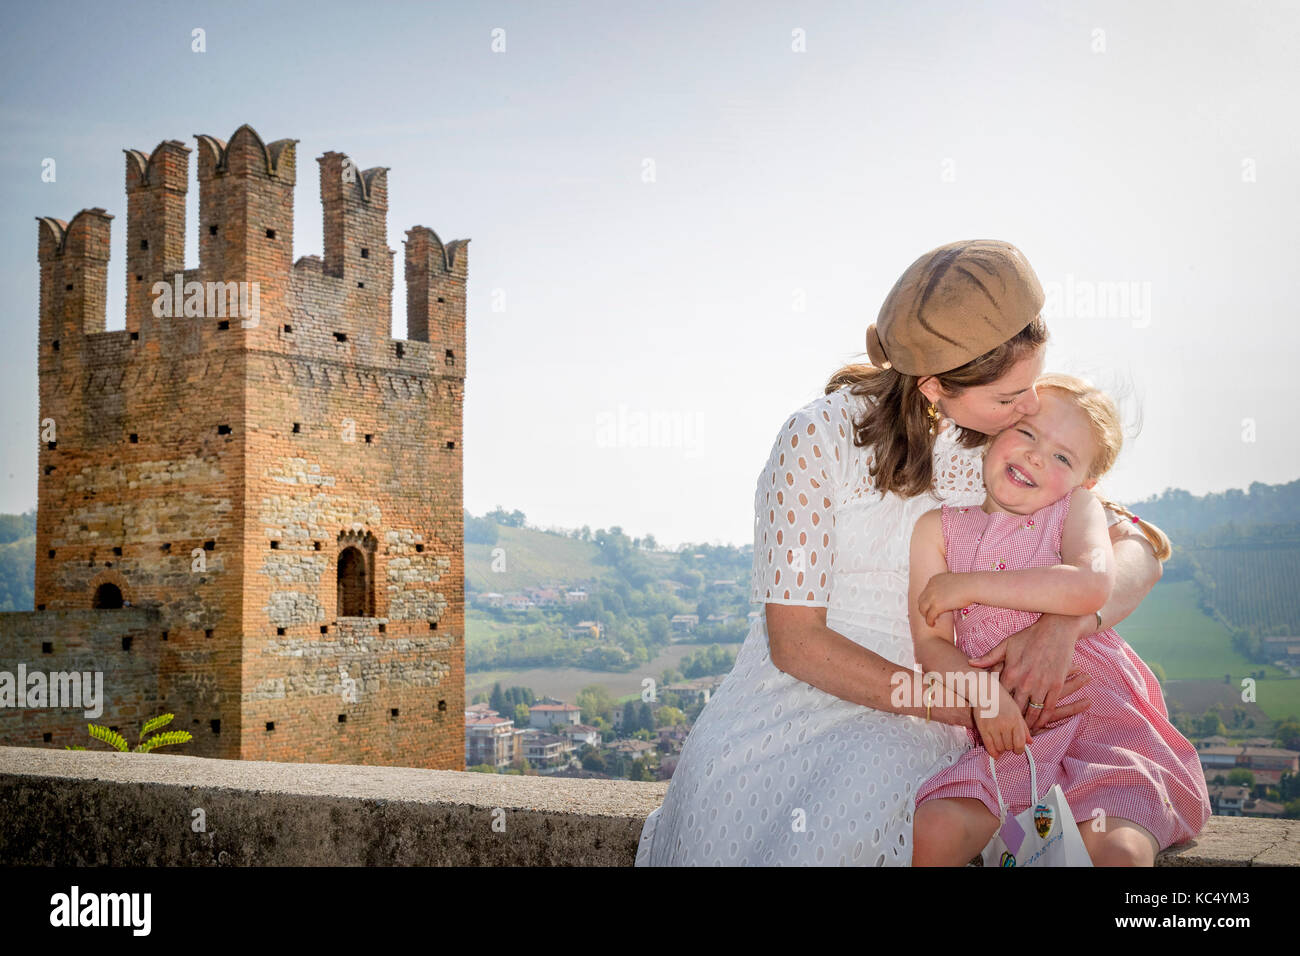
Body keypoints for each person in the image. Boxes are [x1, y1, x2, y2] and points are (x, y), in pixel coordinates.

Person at [635, 240, 1164, 865]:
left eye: (1032, 384)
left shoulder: (1002, 447)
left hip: (922, 725)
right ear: (936, 384)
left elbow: (1139, 547)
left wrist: (1065, 626)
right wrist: (965, 706)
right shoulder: (815, 440)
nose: (1031, 405)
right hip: (805, 706)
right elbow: (796, 642)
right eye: (1010, 396)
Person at [909, 374, 1211, 866]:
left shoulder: (1076, 510)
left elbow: (1092, 584)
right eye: (1027, 433)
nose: (1035, 456)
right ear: (996, 430)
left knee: (1120, 850)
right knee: (937, 827)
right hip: (1011, 729)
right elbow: (931, 646)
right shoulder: (937, 531)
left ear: (1085, 482)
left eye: (1063, 457)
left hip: (1097, 717)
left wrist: (970, 586)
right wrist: (985, 698)